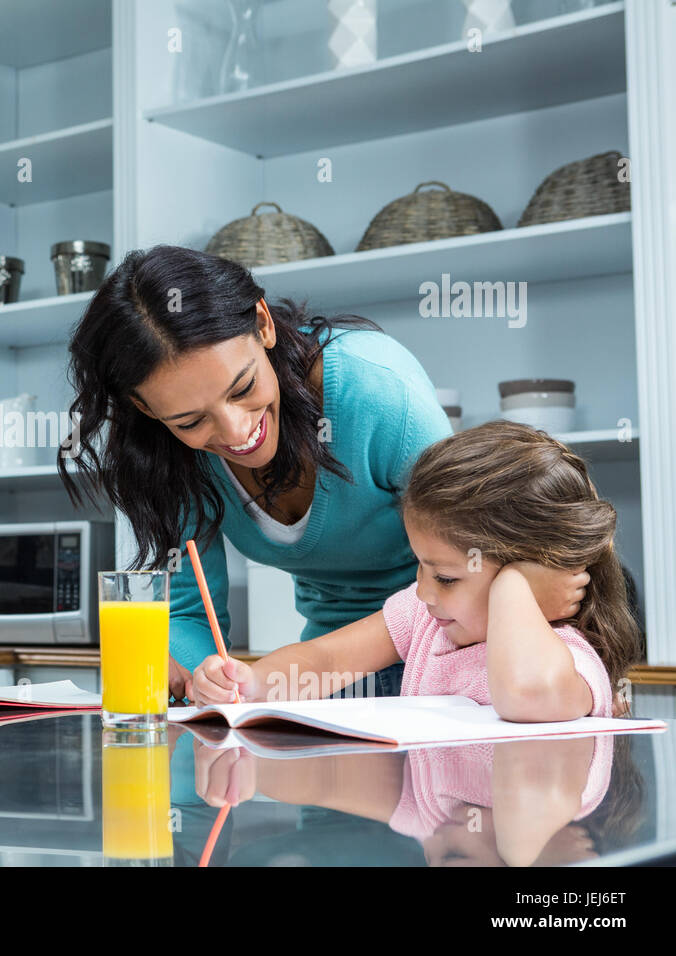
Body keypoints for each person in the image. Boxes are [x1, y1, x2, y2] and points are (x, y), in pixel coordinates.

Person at [60, 245, 586, 699]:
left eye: (243, 389)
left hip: (455, 651)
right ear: (147, 409)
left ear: (262, 324)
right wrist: (213, 680)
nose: (236, 431)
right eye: (190, 420)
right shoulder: (166, 454)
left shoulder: (376, 393)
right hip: (321, 672)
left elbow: (488, 557)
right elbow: (184, 612)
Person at [192, 420, 644, 722]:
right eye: (420, 568)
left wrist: (514, 589)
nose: (423, 591)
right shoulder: (428, 620)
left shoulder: (571, 659)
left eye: (446, 577)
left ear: (534, 573)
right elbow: (324, 661)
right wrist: (251, 683)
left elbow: (526, 694)